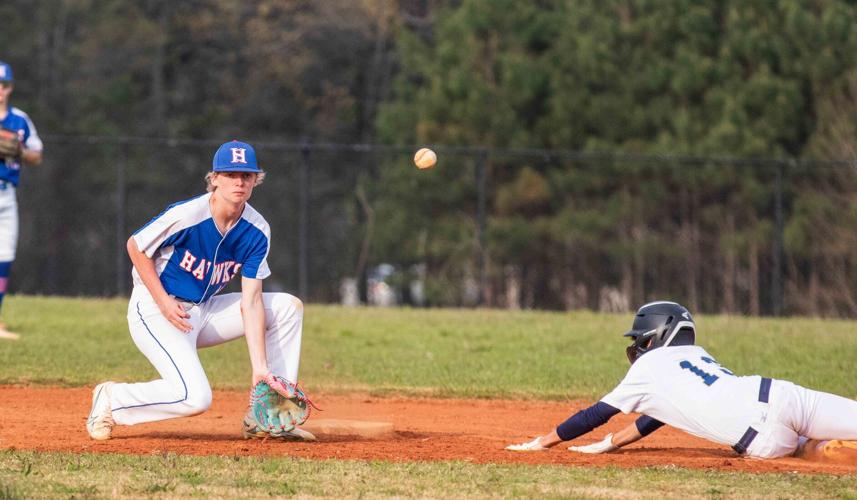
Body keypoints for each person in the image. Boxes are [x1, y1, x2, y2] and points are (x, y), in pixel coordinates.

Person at [86, 140, 314, 442]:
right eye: (230, 174)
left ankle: (268, 413)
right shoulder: (189, 215)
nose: (239, 182)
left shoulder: (257, 230)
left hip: (204, 310)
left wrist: (260, 368)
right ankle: (112, 399)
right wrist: (163, 301)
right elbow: (136, 246)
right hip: (157, 309)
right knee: (196, 398)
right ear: (215, 178)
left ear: (255, 181)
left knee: (287, 307)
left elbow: (252, 302)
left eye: (246, 175)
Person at [506, 301, 857, 461]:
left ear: (658, 334)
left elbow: (595, 414)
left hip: (763, 439)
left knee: (808, 451)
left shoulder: (648, 367)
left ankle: (817, 448)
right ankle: (820, 445)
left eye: (642, 339)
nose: (639, 346)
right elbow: (662, 413)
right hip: (782, 394)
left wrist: (543, 442)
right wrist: (613, 442)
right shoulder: (697, 355)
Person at [0, 61, 43, 340]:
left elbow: (36, 155)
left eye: (3, 85)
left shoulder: (19, 120)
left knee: (4, 257)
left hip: (7, 194)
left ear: (10, 87)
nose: (0, 90)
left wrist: (20, 151)